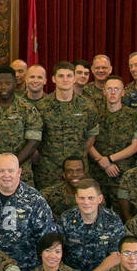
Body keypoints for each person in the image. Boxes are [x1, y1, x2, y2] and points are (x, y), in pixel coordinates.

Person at [34, 61, 99, 191]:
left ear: (74, 78)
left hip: (77, 170)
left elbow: (92, 135)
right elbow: (34, 139)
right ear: (53, 79)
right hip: (48, 169)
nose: (65, 79)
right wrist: (41, 159)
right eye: (61, 76)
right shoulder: (41, 107)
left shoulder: (87, 106)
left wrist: (79, 153)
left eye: (69, 76)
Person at [0, 65, 43, 184]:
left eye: (7, 83)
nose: (3, 87)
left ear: (15, 83)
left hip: (19, 172)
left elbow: (33, 142)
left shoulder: (27, 109)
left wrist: (11, 165)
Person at [57, 179, 125, 271]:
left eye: (90, 198)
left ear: (100, 199)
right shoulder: (66, 218)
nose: (86, 202)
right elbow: (56, 250)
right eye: (82, 198)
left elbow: (116, 256)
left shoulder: (112, 220)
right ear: (76, 198)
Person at [91, 76, 137, 202]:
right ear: (104, 91)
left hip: (122, 174)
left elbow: (135, 146)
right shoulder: (95, 114)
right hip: (98, 172)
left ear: (123, 92)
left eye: (116, 89)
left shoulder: (132, 115)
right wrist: (101, 161)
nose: (113, 92)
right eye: (109, 89)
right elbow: (87, 143)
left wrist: (109, 159)